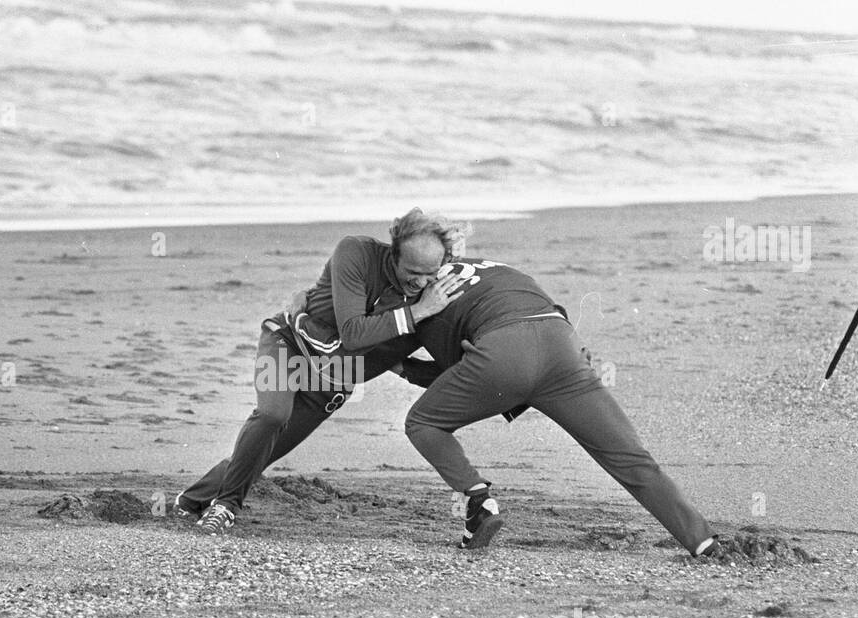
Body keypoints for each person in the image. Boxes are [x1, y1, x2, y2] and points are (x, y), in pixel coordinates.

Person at [398, 255, 719, 555]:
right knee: (630, 458)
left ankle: (478, 501)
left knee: (422, 423)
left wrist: (404, 369)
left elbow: (465, 376)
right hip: (564, 345)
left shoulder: (422, 294)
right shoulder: (495, 268)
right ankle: (702, 542)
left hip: (505, 355)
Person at [176, 208, 467, 534]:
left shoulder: (434, 294)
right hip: (288, 343)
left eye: (431, 273)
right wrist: (418, 311)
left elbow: (389, 355)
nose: (422, 282)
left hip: (336, 377)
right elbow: (354, 332)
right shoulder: (356, 252)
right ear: (394, 251)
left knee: (263, 451)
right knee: (272, 414)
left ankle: (189, 501)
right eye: (413, 271)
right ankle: (226, 508)